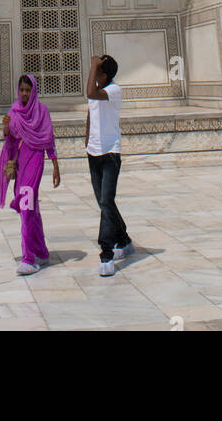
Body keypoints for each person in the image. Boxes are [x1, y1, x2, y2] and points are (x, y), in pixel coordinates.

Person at [0, 74, 60, 275]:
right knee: (31, 208)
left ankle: (28, 258)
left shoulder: (42, 112)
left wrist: (56, 166)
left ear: (34, 91)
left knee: (26, 205)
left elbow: (48, 140)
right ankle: (41, 251)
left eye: (27, 90)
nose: (24, 94)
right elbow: (11, 141)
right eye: (22, 90)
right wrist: (6, 129)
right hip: (22, 164)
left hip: (35, 163)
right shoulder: (14, 111)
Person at [86, 52, 133, 277]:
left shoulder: (113, 90)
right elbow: (90, 111)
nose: (95, 73)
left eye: (98, 71)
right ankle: (124, 239)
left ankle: (106, 253)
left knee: (106, 201)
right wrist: (87, 140)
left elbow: (90, 94)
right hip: (94, 152)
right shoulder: (98, 87)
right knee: (105, 202)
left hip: (111, 153)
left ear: (106, 75)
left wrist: (94, 65)